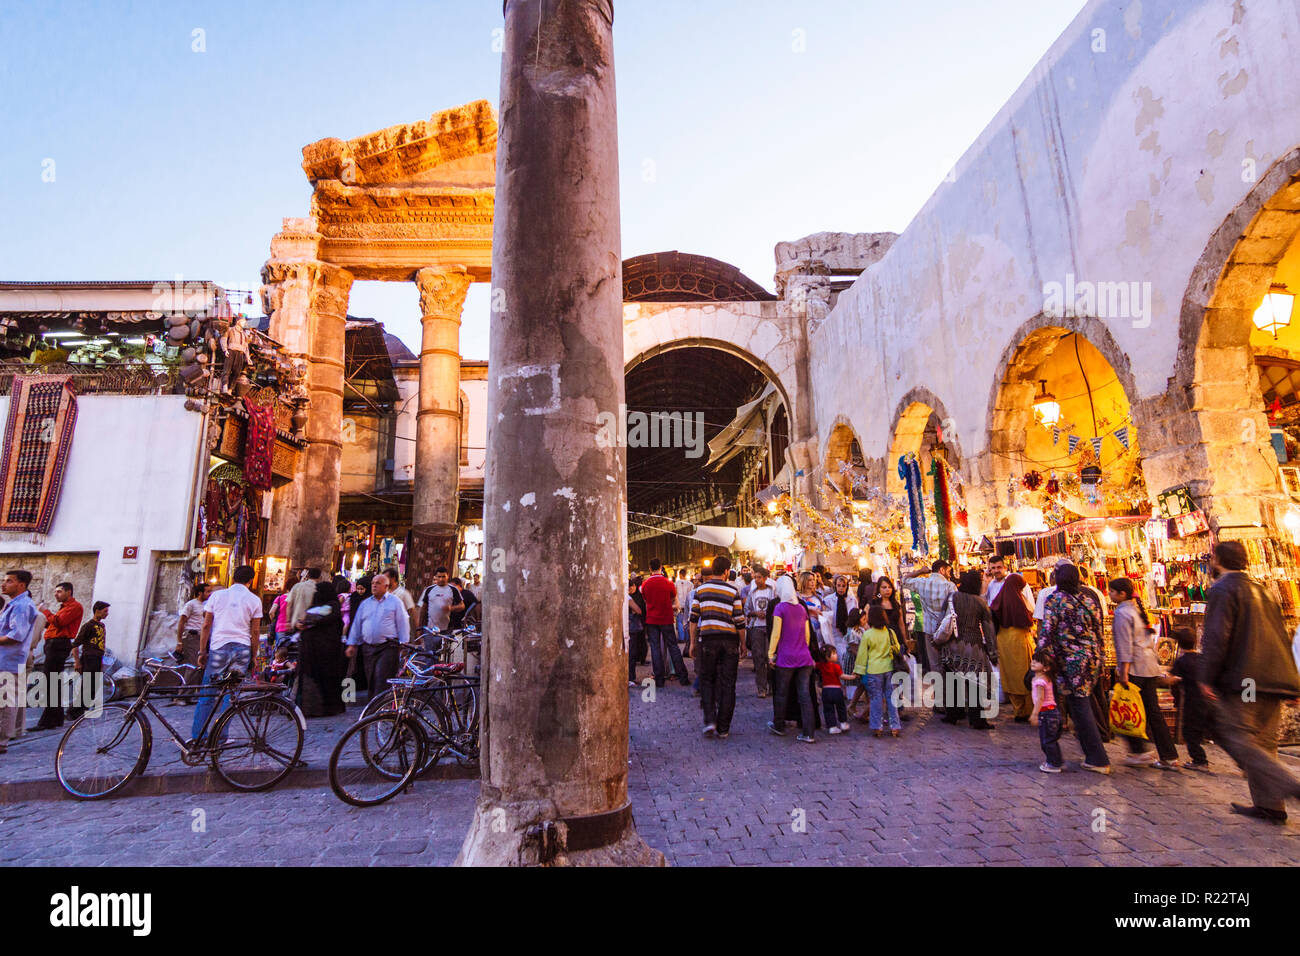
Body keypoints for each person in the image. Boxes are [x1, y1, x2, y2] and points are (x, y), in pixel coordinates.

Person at [1198, 540, 1300, 823]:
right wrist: (1291, 684)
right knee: (1265, 744)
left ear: (1217, 559)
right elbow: (1282, 637)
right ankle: (1270, 806)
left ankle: (1292, 786)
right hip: (1271, 680)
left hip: (1248, 682)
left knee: (1240, 739)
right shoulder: (1263, 591)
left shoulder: (1222, 589)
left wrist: (1205, 677)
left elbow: (1217, 637)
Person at [1037, 563, 1111, 773]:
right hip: (1091, 658)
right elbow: (1098, 630)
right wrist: (1101, 657)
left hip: (1070, 661)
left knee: (1079, 706)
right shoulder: (1088, 600)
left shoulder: (1056, 600)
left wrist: (1040, 657)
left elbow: (1047, 630)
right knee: (1080, 705)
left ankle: (1097, 758)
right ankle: (1092, 755)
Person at [1110, 576, 1181, 770]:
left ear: (1121, 594)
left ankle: (1139, 751)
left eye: (1112, 591)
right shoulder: (1138, 610)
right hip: (1149, 667)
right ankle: (1169, 756)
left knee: (1128, 708)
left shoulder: (1123, 613)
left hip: (1135, 668)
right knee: (1153, 712)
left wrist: (1123, 671)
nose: (1110, 594)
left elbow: (1125, 644)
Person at [192, 566, 264, 743]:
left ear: (233, 577)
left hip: (219, 647)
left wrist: (202, 650)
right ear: (250, 581)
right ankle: (221, 735)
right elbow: (255, 632)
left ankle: (199, 736)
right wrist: (254, 656)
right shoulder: (254, 600)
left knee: (207, 694)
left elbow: (206, 625)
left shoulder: (217, 596)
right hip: (241, 649)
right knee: (231, 695)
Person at [690, 555, 744, 739]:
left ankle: (710, 720)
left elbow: (693, 619)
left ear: (713, 570)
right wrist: (743, 643)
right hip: (729, 641)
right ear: (727, 571)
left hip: (708, 640)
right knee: (728, 683)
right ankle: (724, 727)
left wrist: (691, 643)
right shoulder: (733, 590)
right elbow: (739, 620)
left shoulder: (700, 590)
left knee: (707, 680)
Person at [941, 569, 998, 730]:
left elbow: (943, 619)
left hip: (951, 645)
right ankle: (977, 719)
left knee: (953, 680)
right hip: (973, 646)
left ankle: (953, 714)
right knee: (974, 683)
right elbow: (989, 630)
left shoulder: (952, 597)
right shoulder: (980, 602)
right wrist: (993, 652)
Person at [347, 572, 412, 702]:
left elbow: (402, 622)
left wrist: (404, 643)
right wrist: (352, 643)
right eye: (373, 583)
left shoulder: (395, 602)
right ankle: (374, 706)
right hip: (368, 647)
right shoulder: (365, 604)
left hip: (387, 647)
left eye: (378, 583)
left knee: (381, 676)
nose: (374, 586)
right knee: (370, 677)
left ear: (386, 586)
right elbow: (357, 624)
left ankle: (381, 705)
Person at [768, 574, 816, 742]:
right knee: (804, 695)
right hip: (804, 657)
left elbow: (776, 634)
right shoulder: (802, 609)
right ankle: (809, 732)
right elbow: (807, 635)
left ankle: (779, 725)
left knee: (782, 693)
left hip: (786, 658)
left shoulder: (780, 608)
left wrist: (770, 654)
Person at [34, 581, 84, 731]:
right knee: (52, 681)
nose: (56, 594)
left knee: (50, 680)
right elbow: (53, 624)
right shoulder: (64, 608)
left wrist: (45, 611)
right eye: (55, 592)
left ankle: (48, 720)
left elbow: (59, 622)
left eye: (59, 591)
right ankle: (55, 718)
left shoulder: (75, 607)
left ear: (69, 592)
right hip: (54, 644)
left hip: (58, 644)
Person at [904, 560, 956, 703]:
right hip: (946, 631)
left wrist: (920, 571)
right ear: (942, 570)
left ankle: (940, 700)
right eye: (948, 571)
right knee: (949, 663)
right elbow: (954, 608)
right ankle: (951, 700)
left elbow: (905, 580)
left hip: (929, 630)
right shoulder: (949, 586)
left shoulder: (922, 583)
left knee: (935, 664)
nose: (949, 575)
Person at [295, 579, 347, 718]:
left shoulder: (332, 606)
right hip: (313, 652)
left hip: (324, 653)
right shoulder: (321, 606)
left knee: (322, 680)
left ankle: (322, 708)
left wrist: (303, 622)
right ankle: (311, 708)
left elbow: (316, 619)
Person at [0, 570, 38, 753]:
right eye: (4, 580)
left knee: (6, 703)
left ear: (21, 585)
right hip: (4, 660)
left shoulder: (22, 605)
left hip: (10, 661)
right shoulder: (13, 604)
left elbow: (16, 635)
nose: (4, 584)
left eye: (9, 581)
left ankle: (2, 742)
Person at [990, 571, 1036, 722]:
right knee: (1024, 673)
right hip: (1019, 640)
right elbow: (1028, 621)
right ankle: (1027, 710)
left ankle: (1018, 710)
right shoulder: (1018, 601)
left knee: (1010, 674)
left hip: (1003, 641)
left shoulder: (999, 599)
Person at [641, 559, 690, 688]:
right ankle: (682, 676)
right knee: (673, 647)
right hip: (666, 618)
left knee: (655, 648)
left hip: (651, 619)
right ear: (661, 567)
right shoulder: (668, 583)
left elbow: (645, 599)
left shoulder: (645, 584)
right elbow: (673, 598)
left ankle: (659, 678)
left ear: (650, 568)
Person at [855, 605, 902, 738]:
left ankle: (877, 727)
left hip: (874, 670)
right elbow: (897, 648)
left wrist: (859, 670)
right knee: (891, 699)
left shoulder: (868, 635)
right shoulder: (890, 632)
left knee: (876, 699)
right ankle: (895, 726)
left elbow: (862, 655)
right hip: (889, 669)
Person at [1169, 626, 1210, 770]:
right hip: (1205, 701)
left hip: (1191, 702)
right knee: (1201, 730)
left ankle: (1199, 760)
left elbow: (1173, 679)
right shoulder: (1202, 659)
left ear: (1179, 644)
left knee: (1189, 732)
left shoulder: (1181, 661)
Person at [66, 601, 109, 720]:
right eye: (105, 611)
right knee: (87, 687)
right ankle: (73, 712)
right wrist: (77, 662)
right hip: (88, 659)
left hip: (97, 659)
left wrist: (100, 662)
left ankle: (81, 711)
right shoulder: (88, 626)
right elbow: (75, 645)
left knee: (93, 688)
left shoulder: (101, 626)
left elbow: (101, 646)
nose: (107, 614)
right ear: (97, 611)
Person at [744, 566, 775, 697]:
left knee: (771, 658)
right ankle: (761, 688)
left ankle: (772, 686)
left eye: (759, 577)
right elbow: (746, 609)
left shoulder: (772, 592)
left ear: (765, 578)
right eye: (755, 577)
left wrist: (768, 614)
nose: (756, 580)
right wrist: (755, 613)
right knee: (758, 658)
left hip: (769, 627)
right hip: (756, 627)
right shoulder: (752, 593)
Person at [1029, 649, 1062, 773]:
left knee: (1047, 740)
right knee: (1051, 739)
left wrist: (1034, 713)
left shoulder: (1040, 682)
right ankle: (1056, 760)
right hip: (1053, 712)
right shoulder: (1047, 679)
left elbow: (1040, 699)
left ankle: (1054, 764)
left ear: (1046, 668)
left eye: (1037, 662)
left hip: (1046, 714)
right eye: (1033, 660)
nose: (1033, 662)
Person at [175, 583, 211, 678]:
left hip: (201, 638)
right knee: (193, 665)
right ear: (200, 593)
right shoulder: (191, 604)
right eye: (207, 591)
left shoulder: (206, 606)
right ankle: (185, 692)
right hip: (192, 637)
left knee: (199, 666)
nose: (209, 594)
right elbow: (182, 622)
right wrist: (179, 642)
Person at [821, 574, 858, 664]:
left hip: (849, 632)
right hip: (835, 632)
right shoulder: (828, 600)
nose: (841, 588)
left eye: (843, 586)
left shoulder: (852, 600)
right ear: (835, 586)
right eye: (838, 585)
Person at [417, 567, 464, 634]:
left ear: (448, 576)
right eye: (439, 577)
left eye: (443, 576)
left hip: (447, 629)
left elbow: (462, 606)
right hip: (430, 629)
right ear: (435, 577)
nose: (441, 579)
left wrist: (451, 608)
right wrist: (420, 627)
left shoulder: (453, 590)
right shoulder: (429, 590)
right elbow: (423, 608)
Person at [817, 646, 849, 734]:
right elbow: (841, 676)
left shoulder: (821, 665)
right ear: (827, 657)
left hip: (826, 691)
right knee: (841, 707)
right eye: (834, 653)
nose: (836, 655)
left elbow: (813, 664)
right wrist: (852, 677)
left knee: (828, 709)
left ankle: (832, 726)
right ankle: (843, 723)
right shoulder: (836, 666)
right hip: (836, 690)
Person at [285, 568, 321, 636]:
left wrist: (288, 621)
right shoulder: (318, 589)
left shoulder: (297, 586)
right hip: (309, 625)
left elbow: (289, 604)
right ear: (319, 577)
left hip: (295, 623)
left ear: (308, 575)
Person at [385, 568, 418, 636]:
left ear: (393, 578)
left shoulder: (403, 593)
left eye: (386, 578)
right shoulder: (384, 594)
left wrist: (417, 631)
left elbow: (412, 612)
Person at [627, 577, 646, 686]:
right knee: (632, 652)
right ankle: (630, 677)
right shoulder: (628, 597)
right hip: (632, 628)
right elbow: (639, 610)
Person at [674, 569, 693, 646]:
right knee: (687, 621)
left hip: (679, 604)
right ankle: (687, 637)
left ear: (680, 574)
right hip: (687, 605)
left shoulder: (676, 584)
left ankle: (681, 638)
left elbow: (674, 594)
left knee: (679, 621)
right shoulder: (690, 584)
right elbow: (691, 595)